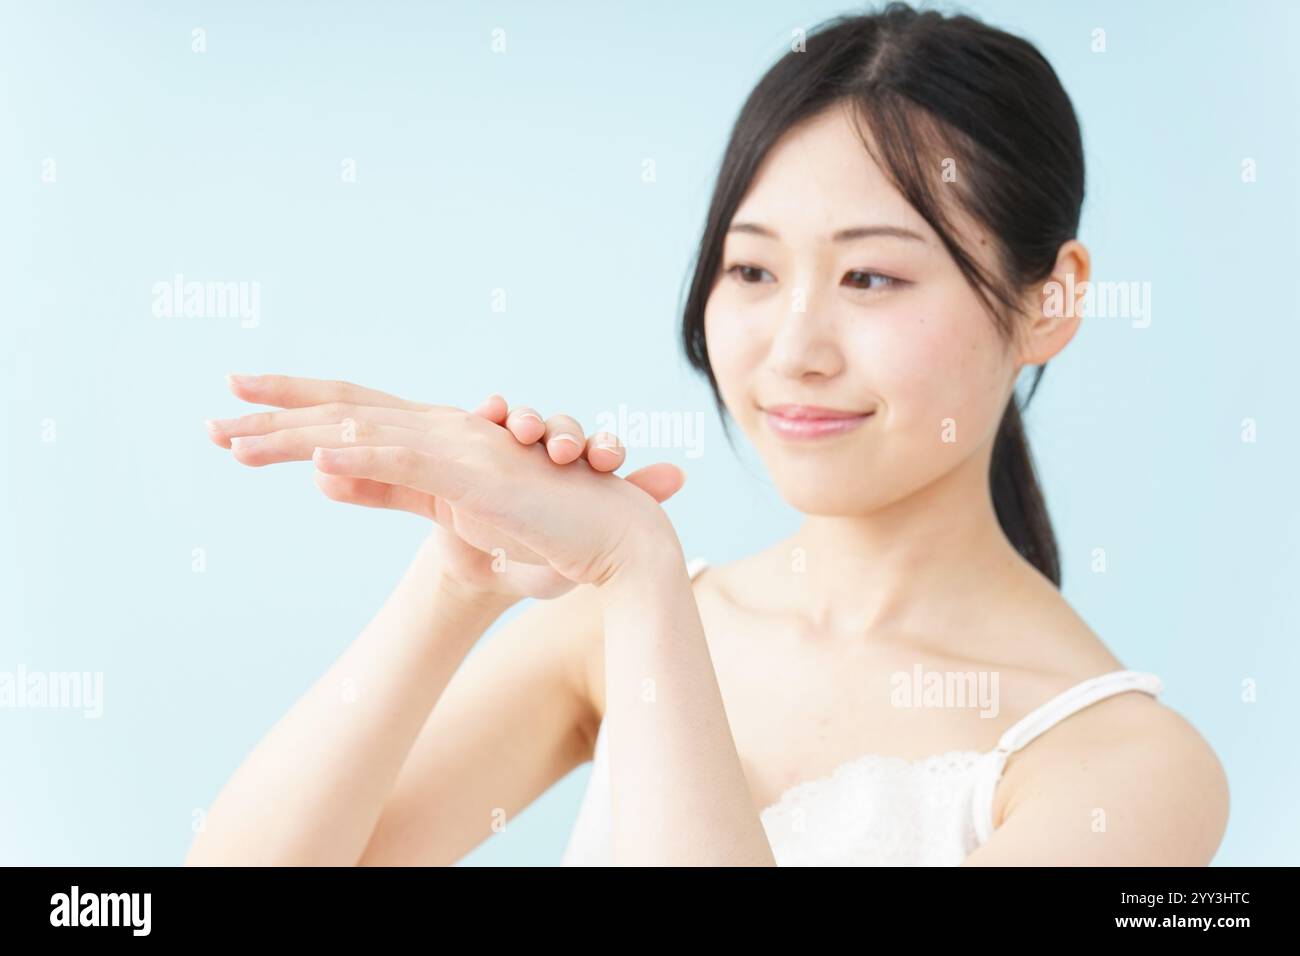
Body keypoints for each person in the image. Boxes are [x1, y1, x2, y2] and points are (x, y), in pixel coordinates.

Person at [186, 3, 1228, 866]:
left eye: (872, 275)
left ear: (1050, 298)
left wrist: (640, 570)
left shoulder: (1129, 772)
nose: (794, 349)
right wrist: (457, 579)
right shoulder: (617, 626)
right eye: (753, 270)